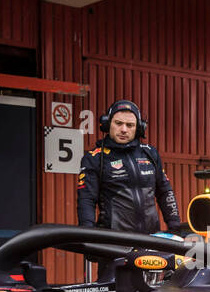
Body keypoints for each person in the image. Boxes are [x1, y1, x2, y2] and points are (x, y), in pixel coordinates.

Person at [76, 100, 182, 235]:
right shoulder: (94, 158)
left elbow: (165, 192)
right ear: (107, 124)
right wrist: (88, 235)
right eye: (118, 123)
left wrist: (175, 227)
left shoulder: (150, 153)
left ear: (139, 128)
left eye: (130, 125)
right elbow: (87, 200)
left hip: (151, 240)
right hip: (113, 243)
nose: (124, 129)